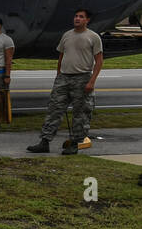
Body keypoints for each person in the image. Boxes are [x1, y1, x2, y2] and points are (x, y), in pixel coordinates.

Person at [26, 9, 103, 155]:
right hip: (64, 78)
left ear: (87, 20)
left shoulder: (93, 37)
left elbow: (99, 61)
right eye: (76, 16)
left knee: (80, 113)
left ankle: (74, 143)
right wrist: (58, 74)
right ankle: (45, 142)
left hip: (82, 78)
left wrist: (92, 81)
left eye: (81, 17)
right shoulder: (67, 35)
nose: (77, 19)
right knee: (54, 109)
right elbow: (61, 56)